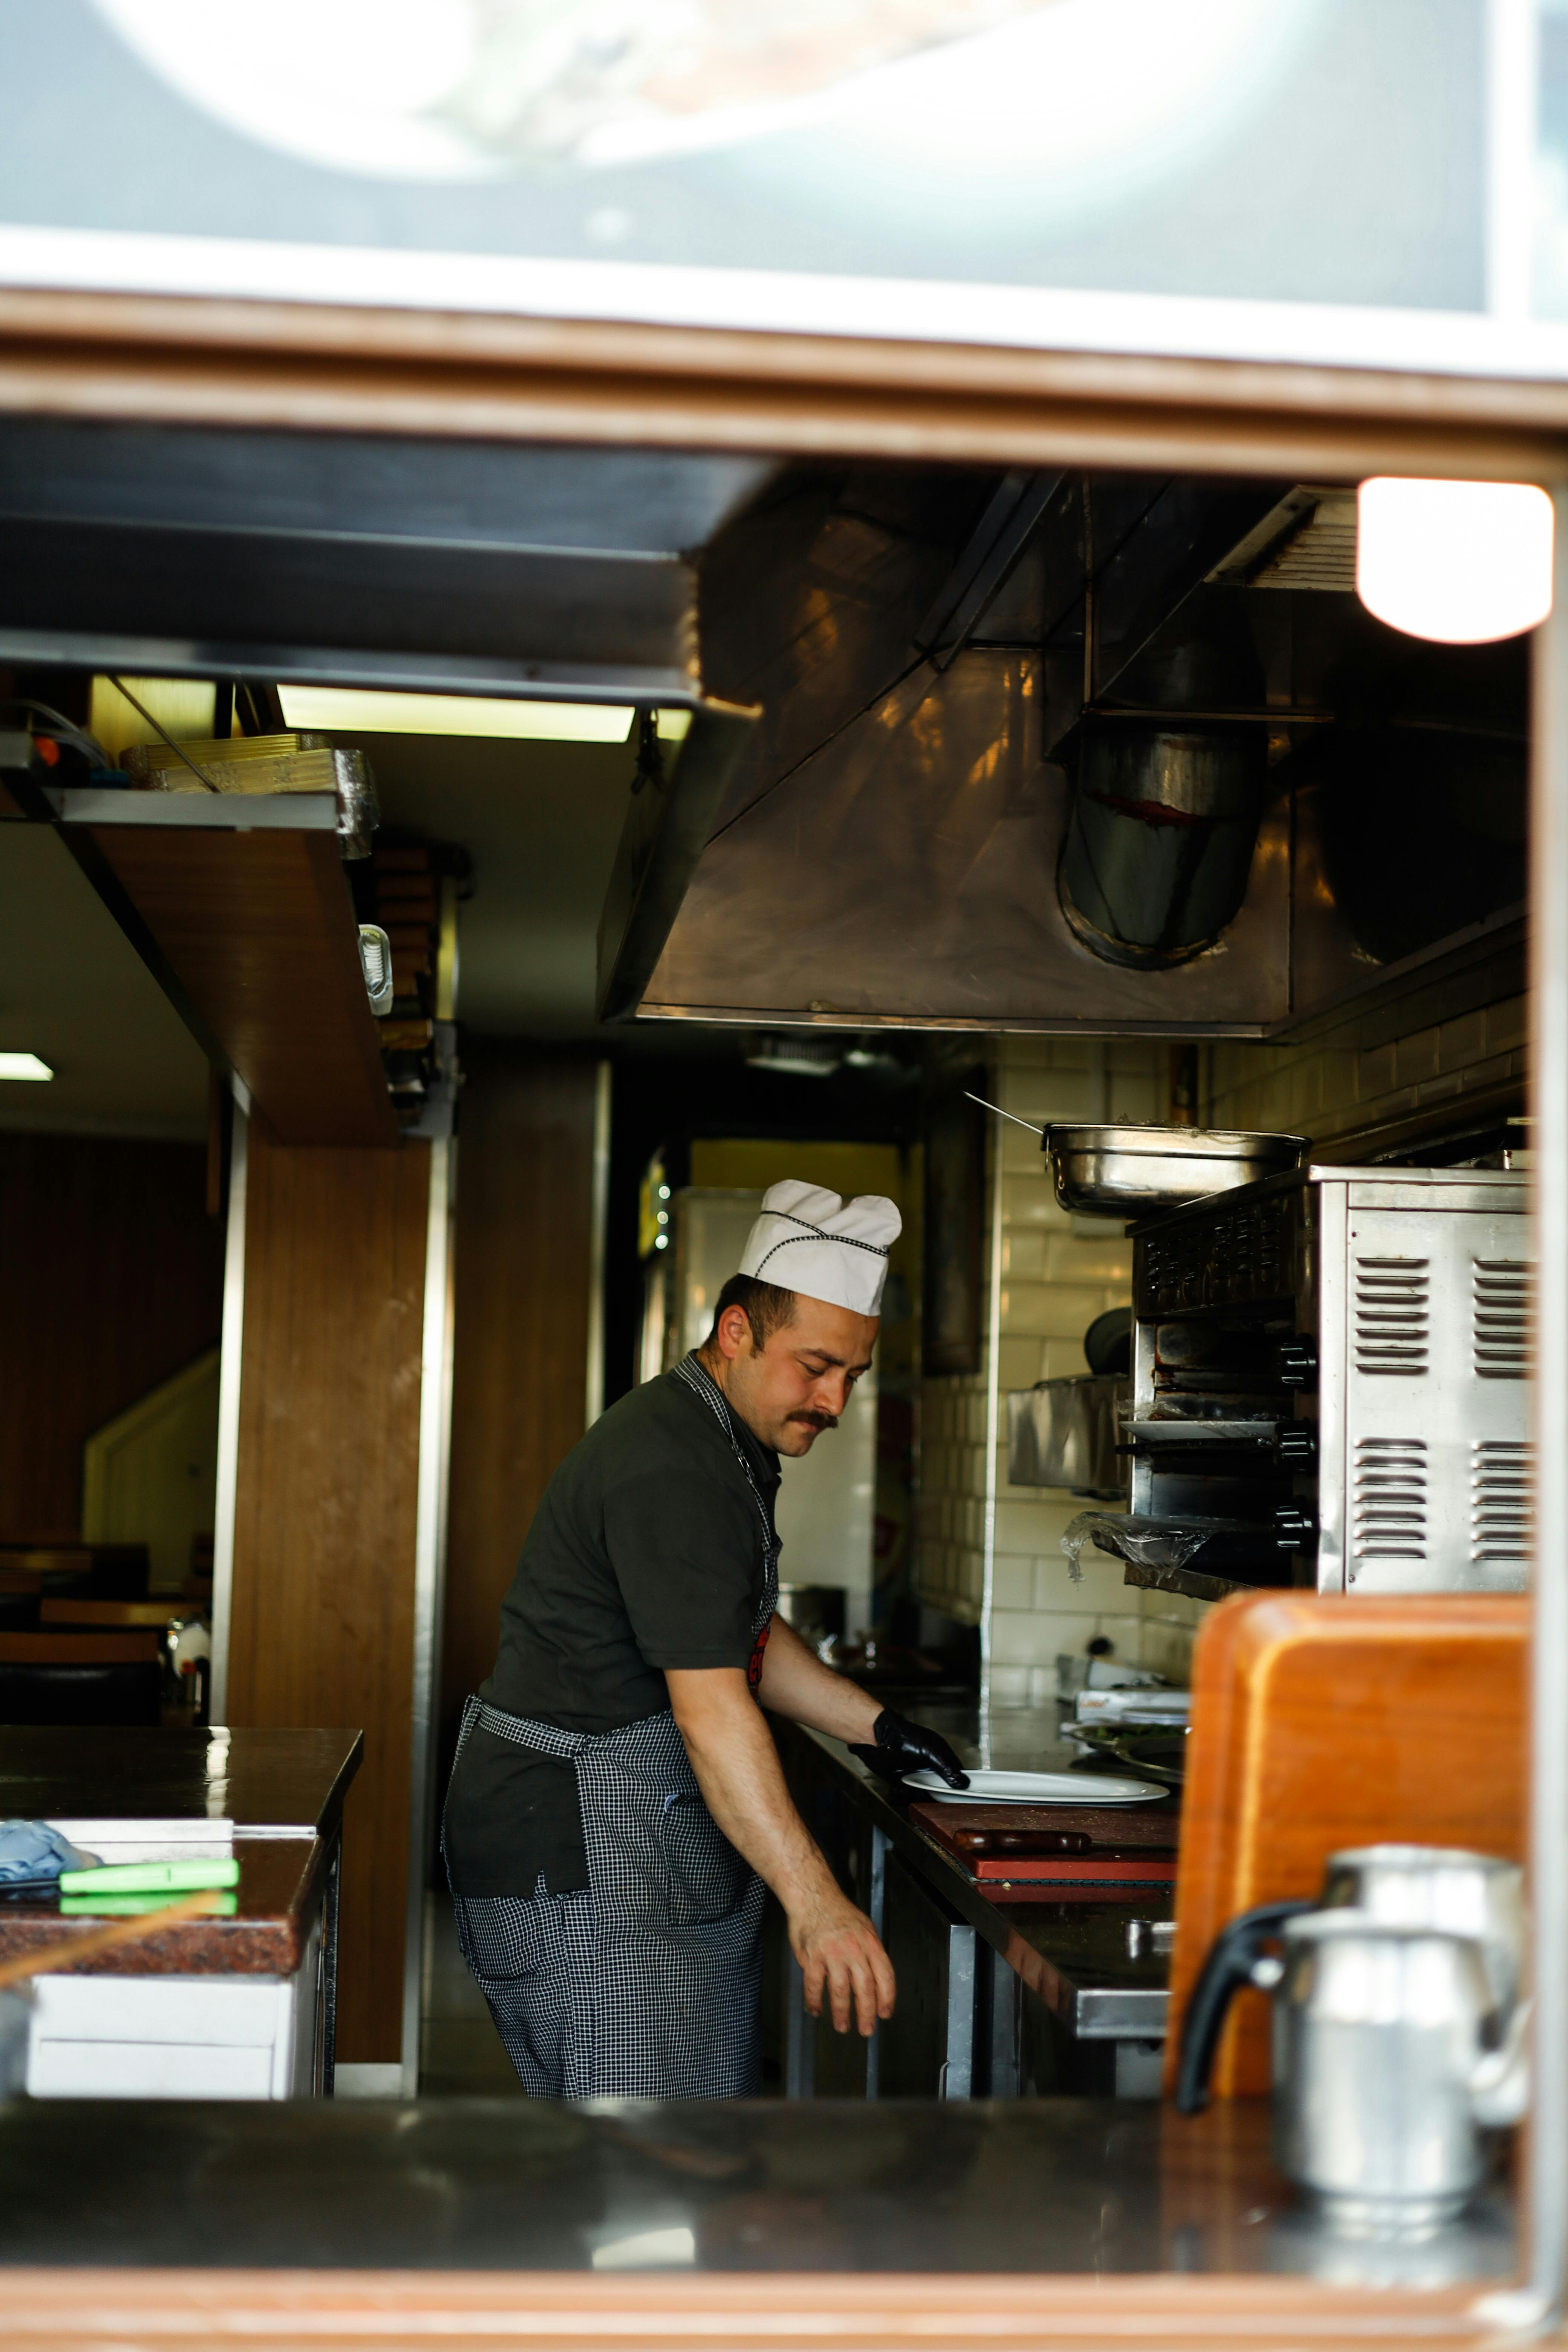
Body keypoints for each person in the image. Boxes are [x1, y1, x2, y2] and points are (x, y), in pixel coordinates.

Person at [442, 1178, 969, 2097]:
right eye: (814, 1366)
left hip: (615, 1840)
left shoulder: (716, 1437)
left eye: (852, 1373)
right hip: (579, 1854)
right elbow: (712, 1710)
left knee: (664, 2167)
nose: (836, 1400)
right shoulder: (673, 1465)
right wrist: (819, 1907)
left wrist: (875, 1726)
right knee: (639, 2180)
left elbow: (740, 1628)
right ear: (737, 1331)